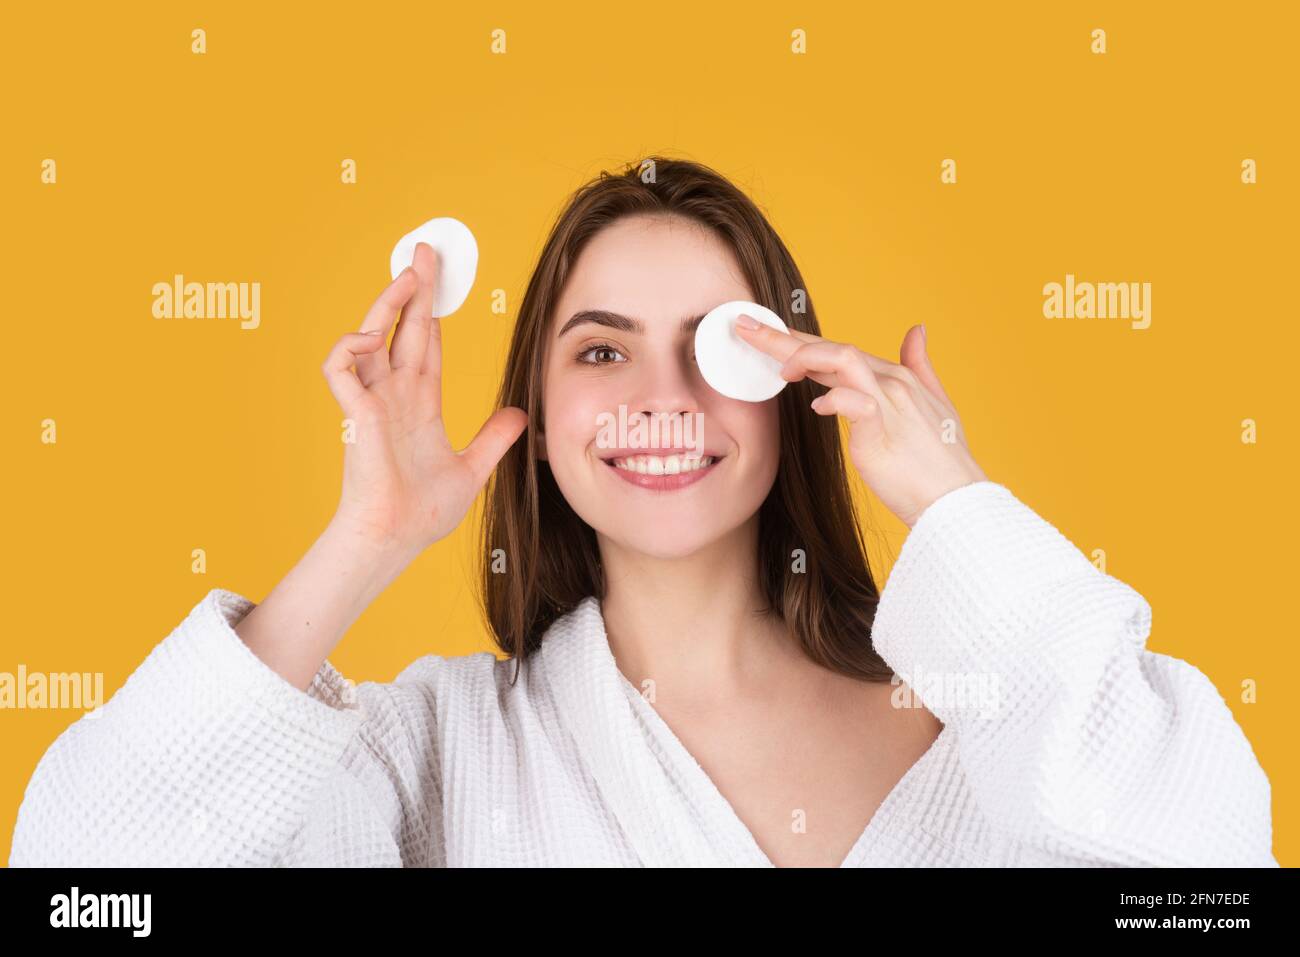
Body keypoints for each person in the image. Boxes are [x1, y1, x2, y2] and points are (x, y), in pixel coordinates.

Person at [9, 158, 1277, 867]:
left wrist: (956, 505)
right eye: (602, 354)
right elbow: (91, 888)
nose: (661, 399)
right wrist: (364, 543)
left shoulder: (993, 722)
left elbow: (1212, 882)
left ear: (793, 387)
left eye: (717, 349)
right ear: (539, 412)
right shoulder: (438, 759)